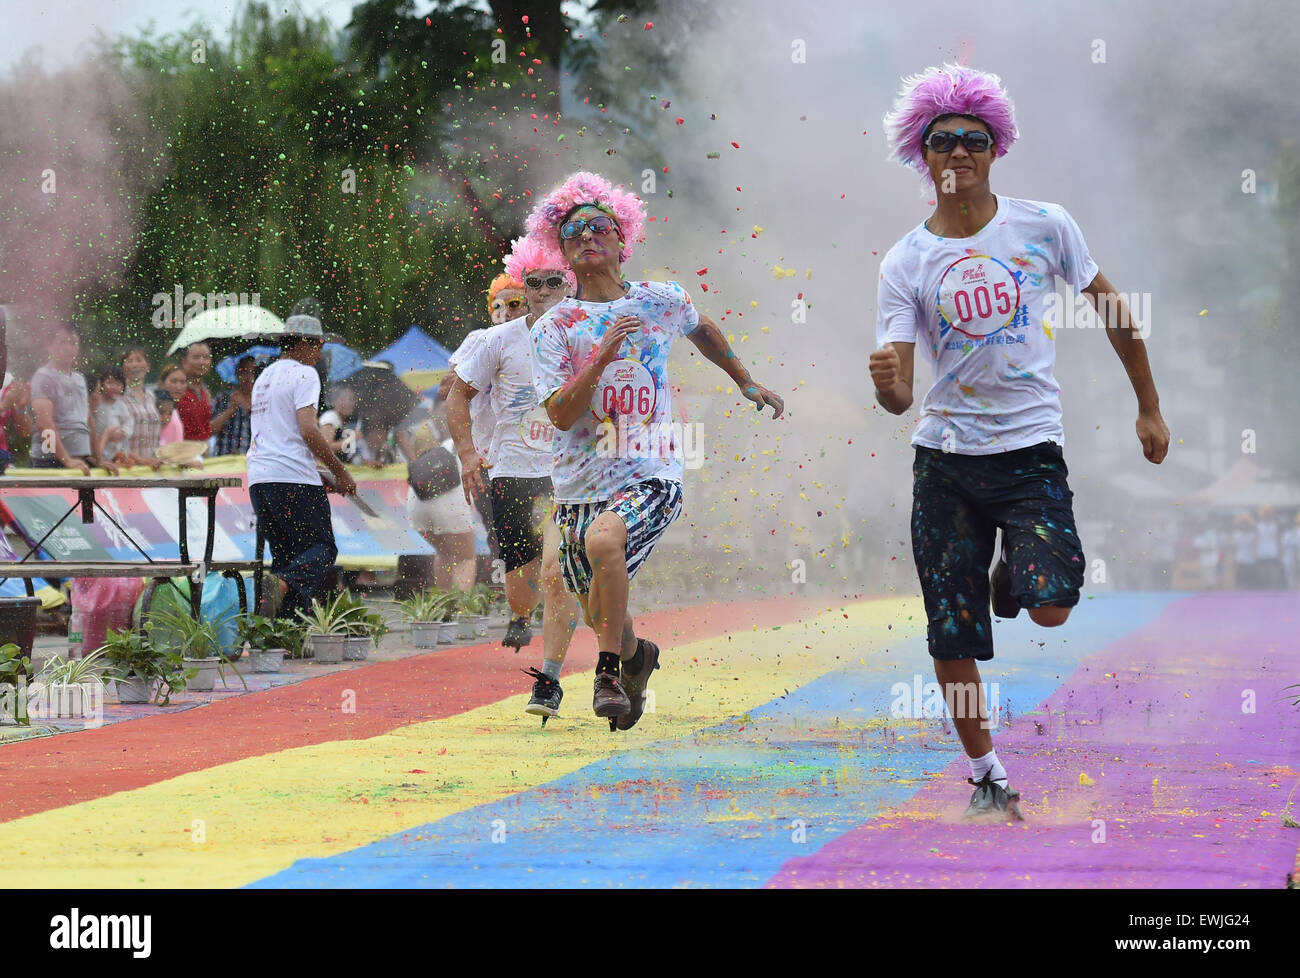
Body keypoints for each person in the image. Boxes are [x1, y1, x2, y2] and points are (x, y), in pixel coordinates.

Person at [870, 64, 1170, 820]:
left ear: (996, 148)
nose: (959, 152)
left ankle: (1016, 574)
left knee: (1051, 609)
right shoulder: (905, 261)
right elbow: (901, 393)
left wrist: (1149, 409)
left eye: (974, 139)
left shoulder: (1045, 224)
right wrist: (884, 385)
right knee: (951, 628)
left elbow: (1117, 316)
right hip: (944, 460)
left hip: (1030, 451)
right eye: (943, 142)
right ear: (923, 155)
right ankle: (986, 775)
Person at [526, 171, 784, 731]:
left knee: (605, 541)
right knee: (598, 608)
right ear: (563, 252)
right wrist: (599, 360)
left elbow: (703, 328)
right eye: (574, 233)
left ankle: (608, 675)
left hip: (650, 471)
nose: (588, 237)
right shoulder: (555, 327)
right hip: (577, 485)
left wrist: (746, 381)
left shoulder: (660, 300)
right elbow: (560, 414)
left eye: (600, 228)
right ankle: (636, 655)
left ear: (623, 241)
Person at [448, 237, 581, 720]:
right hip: (511, 474)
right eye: (535, 282)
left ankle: (548, 680)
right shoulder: (495, 340)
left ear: (569, 284)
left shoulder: (585, 330)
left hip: (567, 477)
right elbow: (455, 395)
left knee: (554, 573)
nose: (543, 291)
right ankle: (521, 616)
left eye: (554, 282)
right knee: (521, 581)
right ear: (525, 286)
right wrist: (467, 454)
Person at [247, 315, 356, 620]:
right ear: (302, 344)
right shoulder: (305, 374)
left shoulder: (263, 378)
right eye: (319, 345)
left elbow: (280, 436)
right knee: (322, 549)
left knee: (287, 558)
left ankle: (282, 633)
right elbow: (308, 431)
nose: (321, 353)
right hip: (292, 478)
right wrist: (340, 471)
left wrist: (321, 474)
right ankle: (279, 585)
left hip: (261, 478)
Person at [29, 322, 118, 475]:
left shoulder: (79, 378)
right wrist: (65, 459)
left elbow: (87, 420)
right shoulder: (43, 377)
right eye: (63, 342)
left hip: (78, 460)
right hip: (49, 461)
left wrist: (99, 458)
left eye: (73, 343)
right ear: (49, 346)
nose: (68, 347)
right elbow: (44, 424)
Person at [405, 420, 478, 591]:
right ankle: (460, 609)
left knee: (445, 553)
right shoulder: (473, 444)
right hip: (449, 503)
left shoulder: (445, 445)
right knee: (465, 558)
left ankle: (443, 603)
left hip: (417, 504)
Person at [119, 346, 163, 469]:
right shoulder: (119, 398)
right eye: (129, 361)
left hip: (154, 467)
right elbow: (117, 441)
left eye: (139, 360)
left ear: (147, 366)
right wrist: (143, 461)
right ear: (123, 368)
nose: (134, 365)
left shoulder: (151, 396)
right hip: (130, 468)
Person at [210, 355, 256, 456]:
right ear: (237, 374)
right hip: (224, 463)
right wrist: (231, 409)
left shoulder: (261, 402)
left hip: (250, 463)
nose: (249, 377)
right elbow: (210, 430)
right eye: (244, 372)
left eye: (253, 373)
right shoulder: (223, 398)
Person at [91, 366, 133, 466]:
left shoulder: (121, 405)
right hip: (100, 444)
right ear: (101, 384)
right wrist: (106, 436)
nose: (114, 386)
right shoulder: (97, 404)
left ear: (123, 387)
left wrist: (124, 432)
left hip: (117, 446)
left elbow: (129, 421)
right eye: (110, 383)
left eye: (118, 384)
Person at [175, 342, 213, 442]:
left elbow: (206, 430)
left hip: (202, 452)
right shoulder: (175, 390)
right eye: (196, 357)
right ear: (184, 362)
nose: (202, 362)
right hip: (180, 452)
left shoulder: (205, 393)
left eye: (206, 357)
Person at [0, 369, 32, 475]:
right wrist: (3, 406)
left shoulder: (8, 383)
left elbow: (25, 432)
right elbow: (4, 405)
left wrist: (21, 407)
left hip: (2, 457)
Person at [319, 385, 359, 463]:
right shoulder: (330, 418)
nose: (353, 403)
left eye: (354, 399)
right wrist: (352, 438)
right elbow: (325, 448)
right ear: (339, 401)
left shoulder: (341, 420)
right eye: (350, 399)